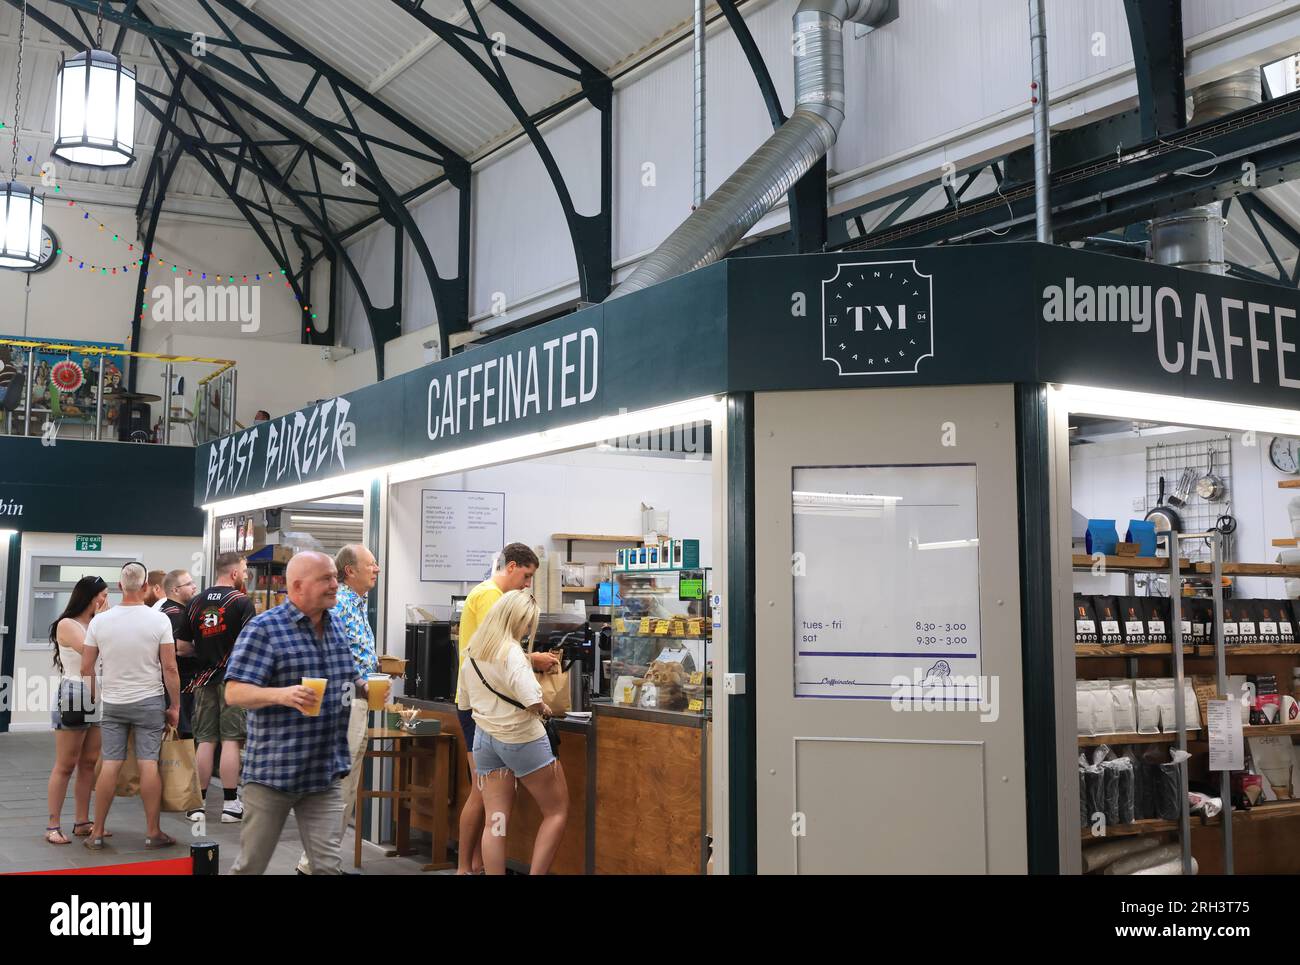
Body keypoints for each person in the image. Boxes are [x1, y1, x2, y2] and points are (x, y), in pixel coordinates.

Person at [225, 551, 364, 875]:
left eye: (334, 577)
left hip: (324, 772)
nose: (335, 585)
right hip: (275, 772)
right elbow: (234, 692)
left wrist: (364, 685)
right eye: (326, 579)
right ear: (298, 587)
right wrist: (282, 695)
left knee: (327, 866)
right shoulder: (264, 629)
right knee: (251, 865)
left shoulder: (336, 627)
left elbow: (347, 674)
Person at [453, 543, 557, 874]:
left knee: (493, 813)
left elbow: (484, 655)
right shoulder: (490, 598)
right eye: (526, 576)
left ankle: (477, 867)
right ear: (511, 566)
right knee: (480, 797)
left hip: (483, 718)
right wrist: (534, 662)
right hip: (502, 723)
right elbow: (499, 653)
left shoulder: (486, 596)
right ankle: (465, 867)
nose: (527, 584)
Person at [80, 562, 180, 850]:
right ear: (146, 586)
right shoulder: (159, 620)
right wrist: (175, 706)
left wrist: (97, 695)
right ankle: (153, 832)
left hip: (113, 702)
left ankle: (97, 832)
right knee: (149, 763)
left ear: (120, 586)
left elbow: (86, 666)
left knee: (110, 763)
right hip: (149, 700)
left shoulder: (100, 621)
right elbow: (170, 667)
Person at [296, 543, 380, 875]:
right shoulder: (341, 605)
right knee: (337, 787)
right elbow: (325, 655)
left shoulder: (356, 605)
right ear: (350, 571)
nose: (376, 570)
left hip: (357, 701)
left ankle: (320, 863)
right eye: (371, 565)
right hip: (344, 704)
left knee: (345, 788)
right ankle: (315, 864)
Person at [176, 552, 255, 823]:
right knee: (231, 741)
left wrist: (204, 649)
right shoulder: (242, 602)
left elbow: (181, 646)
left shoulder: (195, 602)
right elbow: (249, 645)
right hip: (234, 681)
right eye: (244, 570)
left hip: (202, 680)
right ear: (233, 574)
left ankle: (197, 805)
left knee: (205, 740)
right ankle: (231, 804)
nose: (245, 575)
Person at [44, 576, 108, 845]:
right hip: (74, 693)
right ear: (91, 596)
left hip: (97, 694)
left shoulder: (94, 623)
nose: (107, 600)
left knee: (89, 763)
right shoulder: (67, 624)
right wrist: (103, 622)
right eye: (103, 594)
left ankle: (82, 821)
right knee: (66, 764)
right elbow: (91, 652)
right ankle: (52, 825)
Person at [159, 569, 199, 737]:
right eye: (189, 584)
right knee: (183, 735)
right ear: (175, 590)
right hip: (181, 684)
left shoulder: (165, 610)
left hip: (175, 684)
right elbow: (180, 648)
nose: (194, 587)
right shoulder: (175, 615)